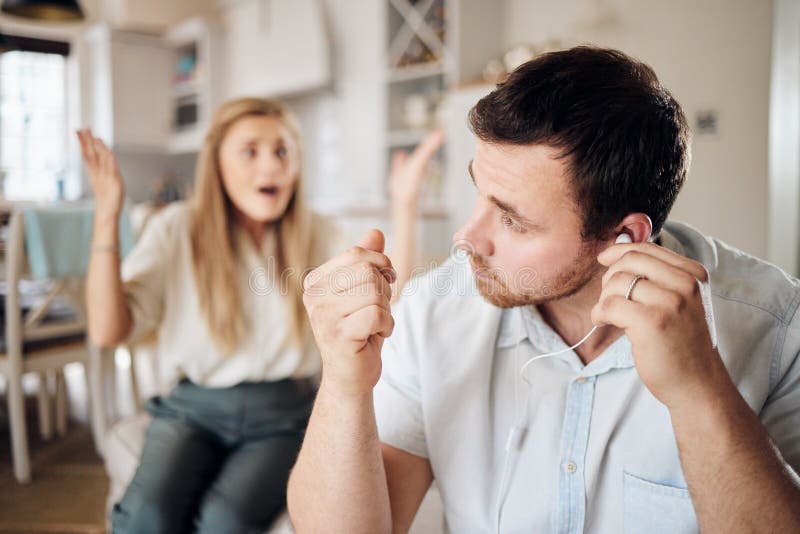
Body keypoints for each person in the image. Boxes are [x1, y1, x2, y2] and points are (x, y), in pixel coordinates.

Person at [287, 47, 800, 533]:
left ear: (623, 237)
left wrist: (697, 392)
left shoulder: (774, 329)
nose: (467, 237)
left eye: (512, 220)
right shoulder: (433, 312)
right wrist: (344, 385)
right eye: (480, 193)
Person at [78, 97, 440, 533]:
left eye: (282, 151)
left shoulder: (318, 231)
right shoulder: (175, 228)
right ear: (217, 164)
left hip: (283, 414)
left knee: (224, 522)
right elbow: (107, 331)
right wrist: (107, 214)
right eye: (250, 152)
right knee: (147, 517)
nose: (271, 166)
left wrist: (405, 204)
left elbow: (389, 295)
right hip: (191, 409)